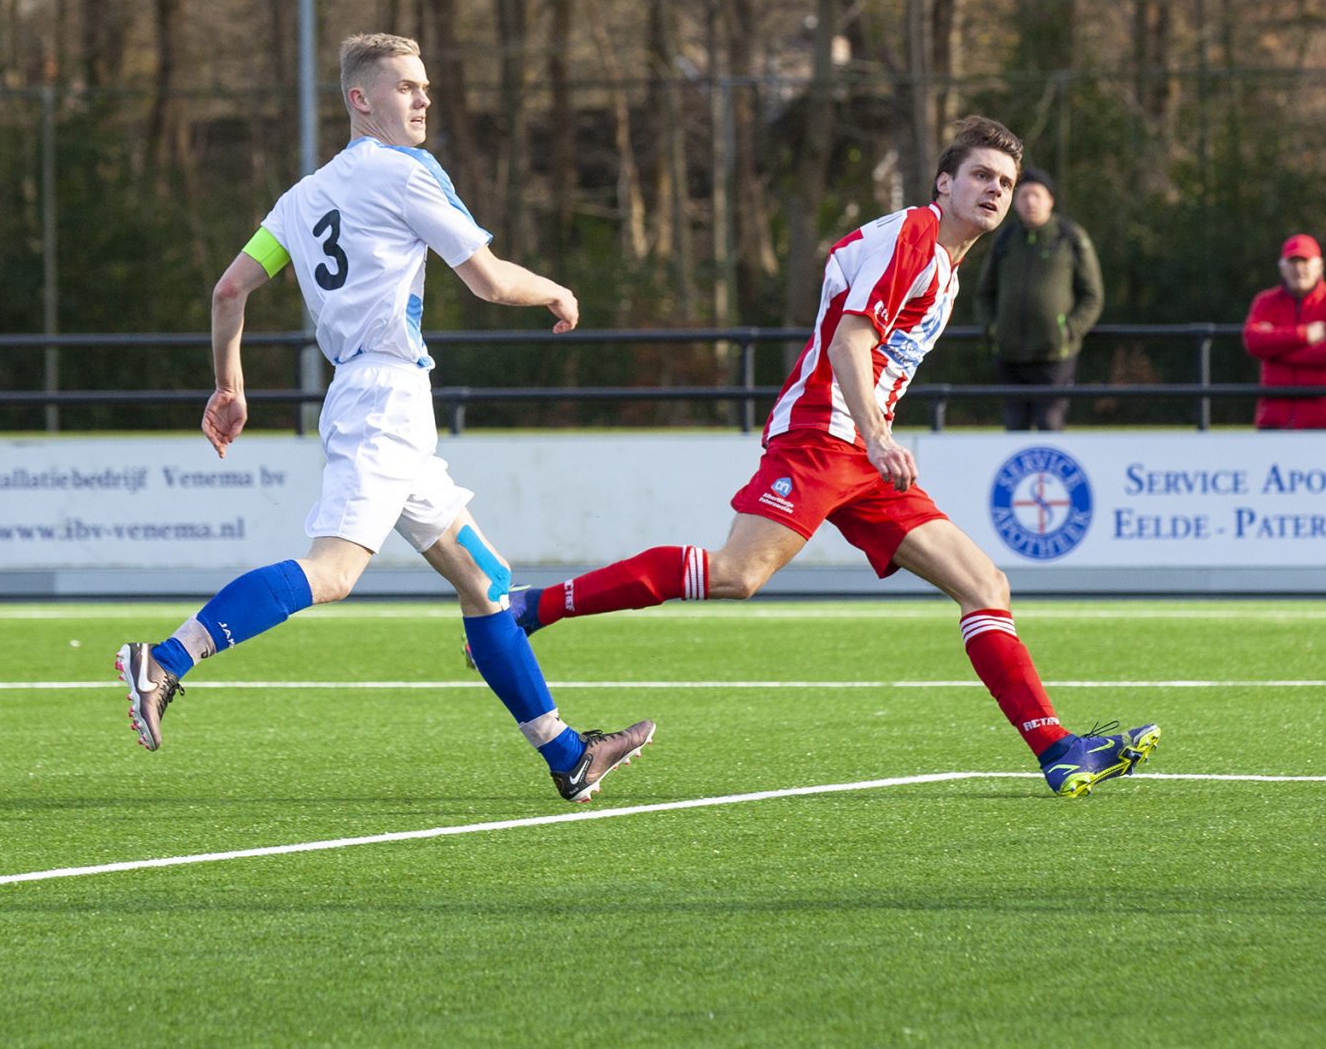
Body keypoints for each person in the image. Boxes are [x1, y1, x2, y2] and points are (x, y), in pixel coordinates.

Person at [490, 117, 1161, 799]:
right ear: (945, 181)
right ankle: (531, 607)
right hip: (825, 431)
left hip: (865, 450)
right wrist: (875, 432)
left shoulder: (947, 267)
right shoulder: (916, 237)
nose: (995, 189)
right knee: (735, 573)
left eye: (1006, 181)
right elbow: (848, 341)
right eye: (982, 175)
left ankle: (1057, 749)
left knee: (984, 586)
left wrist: (874, 437)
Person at [116, 34, 655, 803]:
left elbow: (228, 290)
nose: (424, 99)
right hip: (385, 401)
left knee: (486, 580)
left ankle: (568, 756)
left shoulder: (300, 199)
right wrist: (557, 292)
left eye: (425, 86)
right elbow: (491, 281)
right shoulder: (404, 172)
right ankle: (166, 658)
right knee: (333, 572)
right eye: (406, 86)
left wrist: (229, 385)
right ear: (359, 99)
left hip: (370, 396)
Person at [968, 166, 1105, 431]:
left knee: (1049, 424)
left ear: (1050, 200)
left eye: (1036, 195)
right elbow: (984, 294)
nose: (1029, 202)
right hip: (1009, 354)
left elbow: (1092, 296)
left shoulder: (1070, 237)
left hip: (1055, 355)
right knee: (1014, 426)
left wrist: (1068, 331)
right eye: (1023, 195)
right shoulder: (1004, 238)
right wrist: (993, 329)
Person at [1242, 234, 1326, 430]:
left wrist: (1278, 352)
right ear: (1282, 267)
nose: (1298, 268)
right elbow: (1254, 341)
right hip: (1274, 419)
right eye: (1292, 262)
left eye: (1305, 261)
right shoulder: (1265, 302)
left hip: (1324, 420)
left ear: (1319, 266)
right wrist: (1303, 335)